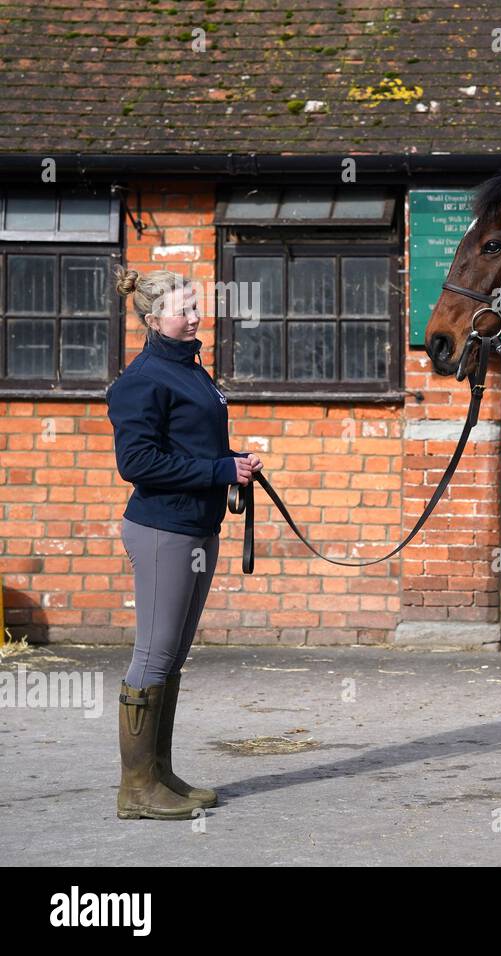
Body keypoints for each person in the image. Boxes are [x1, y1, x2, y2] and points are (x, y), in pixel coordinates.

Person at [105, 266, 262, 820]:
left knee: (173, 653)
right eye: (183, 309)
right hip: (161, 530)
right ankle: (136, 790)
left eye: (196, 305)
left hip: (198, 526)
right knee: (152, 652)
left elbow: (192, 444)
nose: (196, 316)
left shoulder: (191, 368)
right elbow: (137, 462)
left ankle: (160, 775)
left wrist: (232, 464)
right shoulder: (142, 379)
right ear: (152, 319)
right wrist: (221, 469)